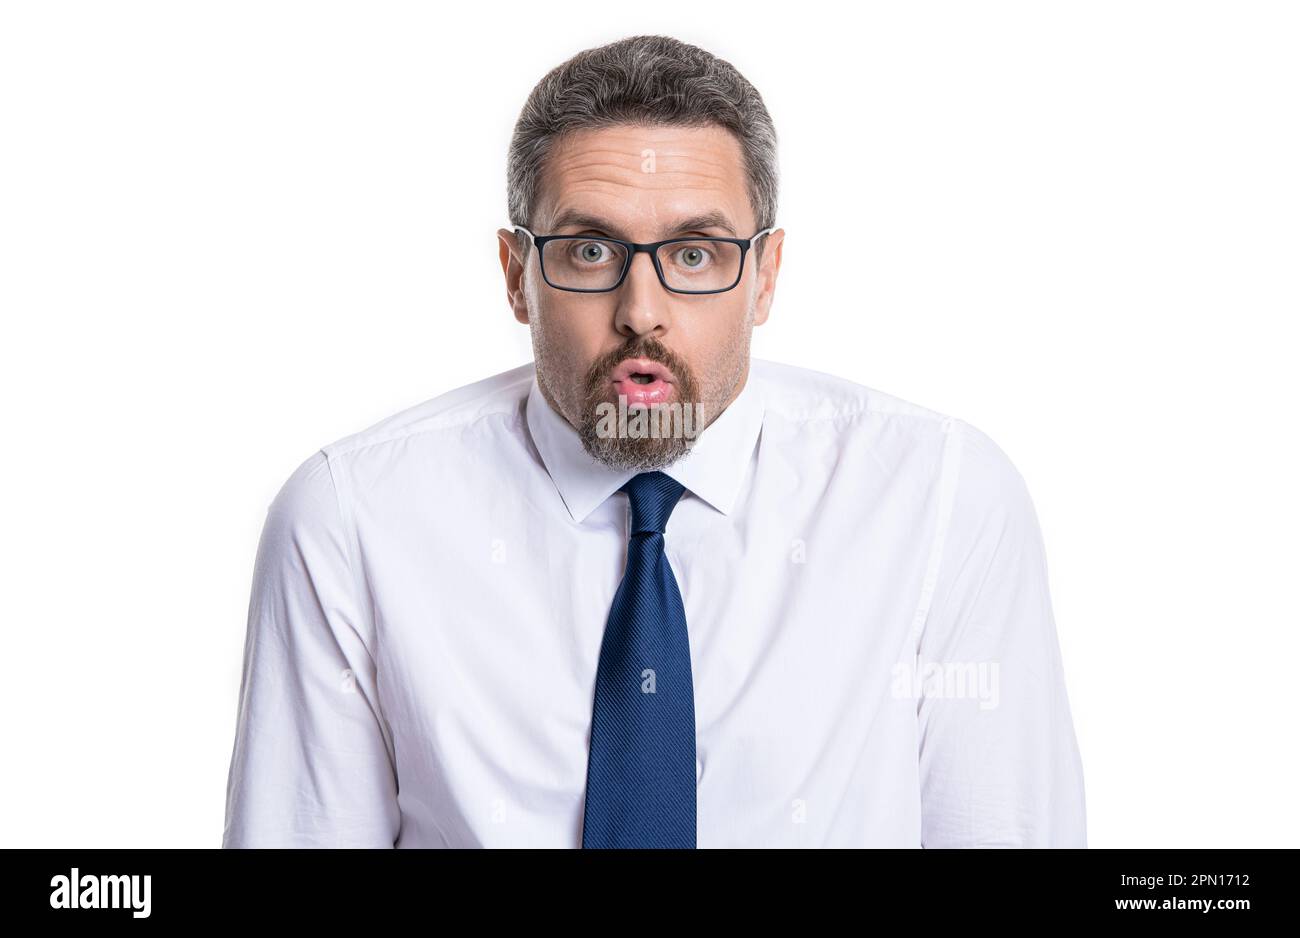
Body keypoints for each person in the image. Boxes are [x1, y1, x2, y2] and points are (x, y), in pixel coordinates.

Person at [221, 33, 1086, 848]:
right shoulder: (350, 520)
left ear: (767, 276)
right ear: (517, 277)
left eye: (698, 254)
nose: (642, 310)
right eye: (592, 250)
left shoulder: (941, 500)